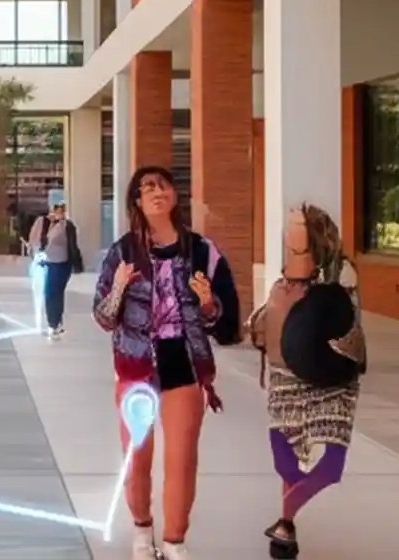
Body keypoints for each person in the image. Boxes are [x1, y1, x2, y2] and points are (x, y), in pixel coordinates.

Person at [92, 166, 241, 560]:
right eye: (146, 188)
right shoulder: (122, 253)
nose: (156, 192)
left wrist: (209, 303)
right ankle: (143, 533)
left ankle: (175, 541)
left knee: (181, 460)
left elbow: (222, 322)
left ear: (174, 196)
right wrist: (120, 288)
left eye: (163, 186)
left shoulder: (202, 252)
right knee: (137, 457)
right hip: (136, 365)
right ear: (137, 203)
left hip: (184, 363)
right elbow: (104, 318)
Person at [247, 205, 366, 559]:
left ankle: (285, 517)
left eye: (295, 225)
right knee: (285, 463)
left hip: (330, 381)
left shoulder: (339, 279)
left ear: (312, 235)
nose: (287, 230)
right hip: (284, 379)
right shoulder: (279, 283)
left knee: (329, 467)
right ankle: (286, 527)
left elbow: (349, 328)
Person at [28, 202, 84, 340]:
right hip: (47, 262)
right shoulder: (42, 222)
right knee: (49, 293)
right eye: (55, 210)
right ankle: (53, 323)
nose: (57, 213)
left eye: (60, 211)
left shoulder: (66, 225)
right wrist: (34, 252)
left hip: (62, 263)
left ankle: (55, 323)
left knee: (56, 293)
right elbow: (33, 238)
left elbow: (70, 244)